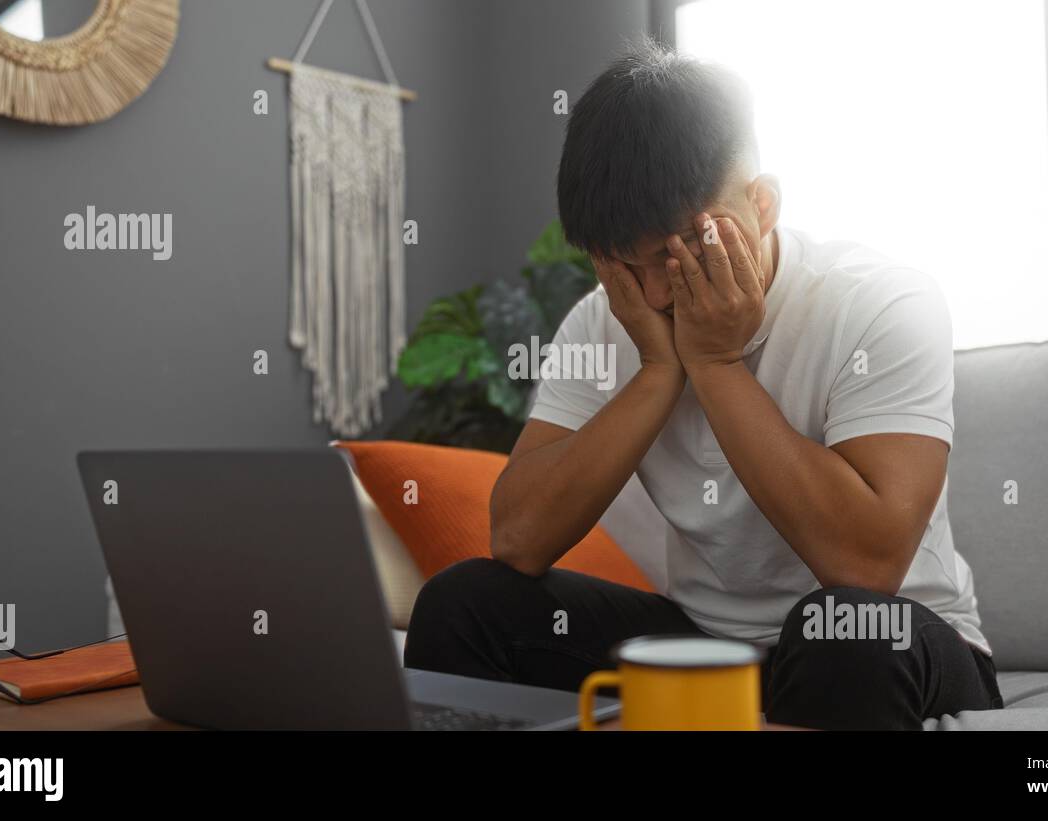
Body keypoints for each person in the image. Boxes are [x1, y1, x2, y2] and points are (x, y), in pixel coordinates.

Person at [404, 38, 1003, 730]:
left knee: (846, 627)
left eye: (677, 252)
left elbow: (866, 565)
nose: (657, 290)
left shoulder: (882, 302)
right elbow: (518, 537)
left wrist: (716, 365)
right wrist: (660, 371)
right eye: (628, 262)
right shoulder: (605, 319)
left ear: (763, 205)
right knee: (464, 604)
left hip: (904, 639)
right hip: (706, 644)